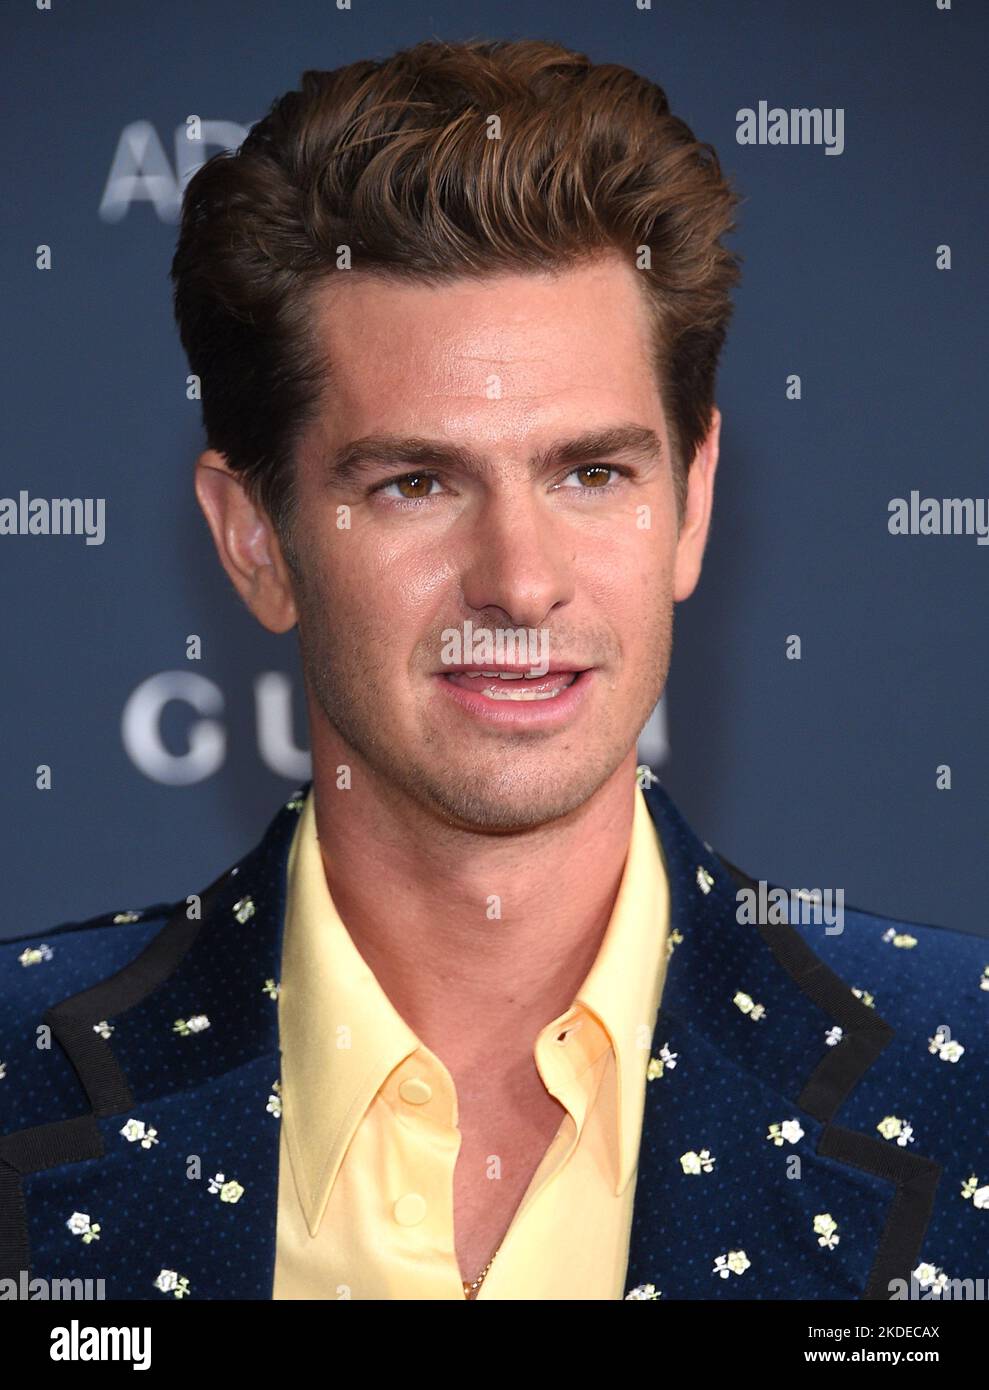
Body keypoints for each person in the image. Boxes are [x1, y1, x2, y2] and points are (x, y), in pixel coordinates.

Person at [2, 38, 986, 1303]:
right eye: (415, 483)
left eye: (591, 474)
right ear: (257, 540)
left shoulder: (961, 1085)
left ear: (689, 506)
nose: (518, 582)